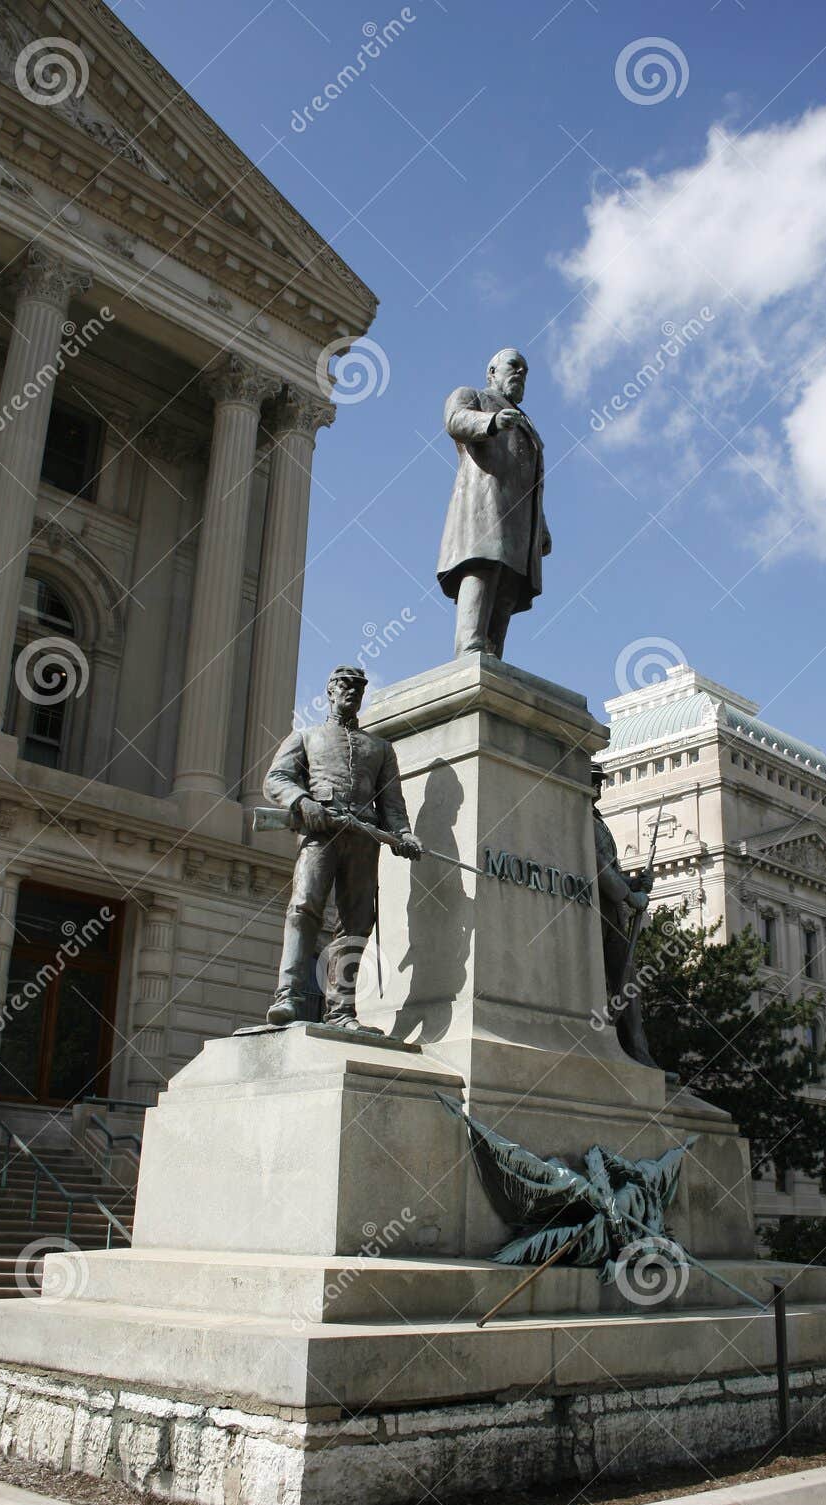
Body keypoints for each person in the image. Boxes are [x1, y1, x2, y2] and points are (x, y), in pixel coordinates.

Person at [263, 665, 422, 1033]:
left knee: (357, 921)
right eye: (345, 685)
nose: (352, 691)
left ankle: (341, 1010)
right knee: (304, 907)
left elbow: (392, 805)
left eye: (358, 687)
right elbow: (276, 779)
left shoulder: (380, 748)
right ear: (330, 691)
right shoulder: (305, 737)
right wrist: (302, 801)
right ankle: (287, 996)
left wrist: (404, 835)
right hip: (320, 833)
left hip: (364, 838)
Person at [436, 347, 551, 659]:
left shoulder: (527, 423)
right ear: (491, 372)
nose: (521, 373)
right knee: (482, 566)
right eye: (514, 365)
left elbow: (532, 479)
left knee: (510, 582)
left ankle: (493, 654)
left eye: (525, 370)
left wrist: (540, 524)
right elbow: (455, 420)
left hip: (520, 518)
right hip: (484, 502)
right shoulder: (472, 395)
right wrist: (492, 422)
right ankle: (470, 646)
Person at [592, 766, 656, 1067]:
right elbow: (599, 869)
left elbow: (611, 871)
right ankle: (631, 1050)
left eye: (600, 782)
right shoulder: (581, 817)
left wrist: (635, 883)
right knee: (616, 983)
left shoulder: (596, 821)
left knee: (628, 983)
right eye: (593, 781)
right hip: (597, 912)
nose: (598, 787)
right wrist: (632, 896)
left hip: (612, 912)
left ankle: (637, 1052)